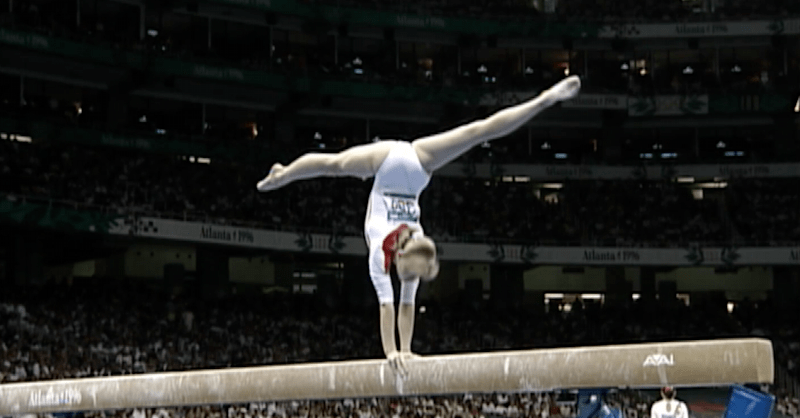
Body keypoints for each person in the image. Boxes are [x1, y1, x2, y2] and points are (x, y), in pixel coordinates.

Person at [256, 75, 582, 373]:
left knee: (477, 132)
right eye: (409, 274)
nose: (408, 280)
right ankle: (283, 173)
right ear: (401, 258)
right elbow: (388, 308)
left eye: (410, 276)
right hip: (392, 165)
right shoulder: (386, 257)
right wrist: (392, 352)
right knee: (336, 163)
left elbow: (405, 306)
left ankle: (544, 100)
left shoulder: (409, 256)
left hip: (412, 166)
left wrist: (405, 351)